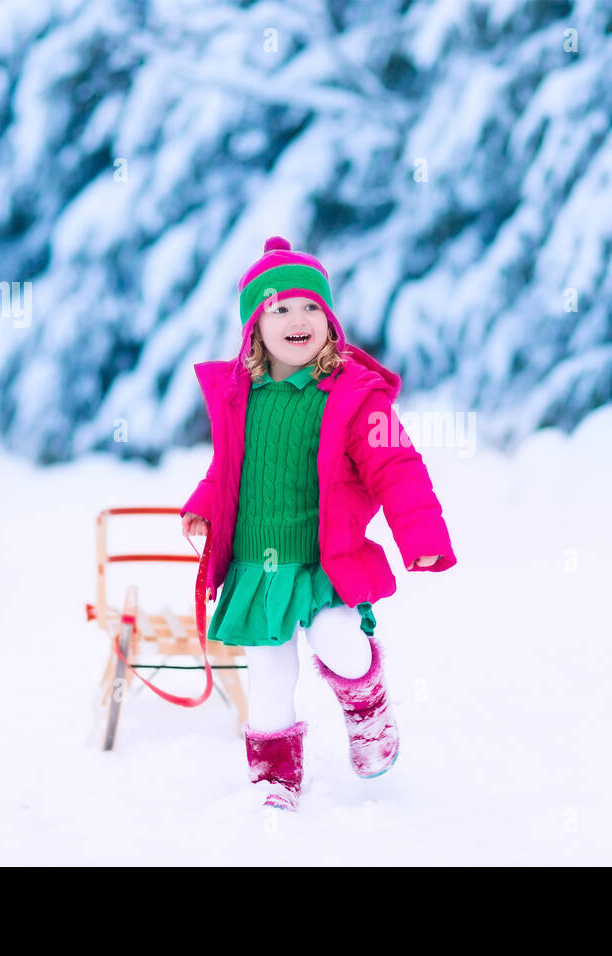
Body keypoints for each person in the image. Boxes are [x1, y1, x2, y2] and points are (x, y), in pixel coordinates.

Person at [181, 235, 457, 812]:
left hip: (325, 561)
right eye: (279, 308)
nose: (297, 318)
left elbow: (397, 465)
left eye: (311, 307)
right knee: (270, 671)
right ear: (255, 325)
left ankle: (368, 706)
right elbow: (229, 470)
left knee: (340, 643)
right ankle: (273, 781)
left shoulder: (356, 397)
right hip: (259, 566)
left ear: (330, 323)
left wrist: (422, 536)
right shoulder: (240, 397)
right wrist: (203, 507)